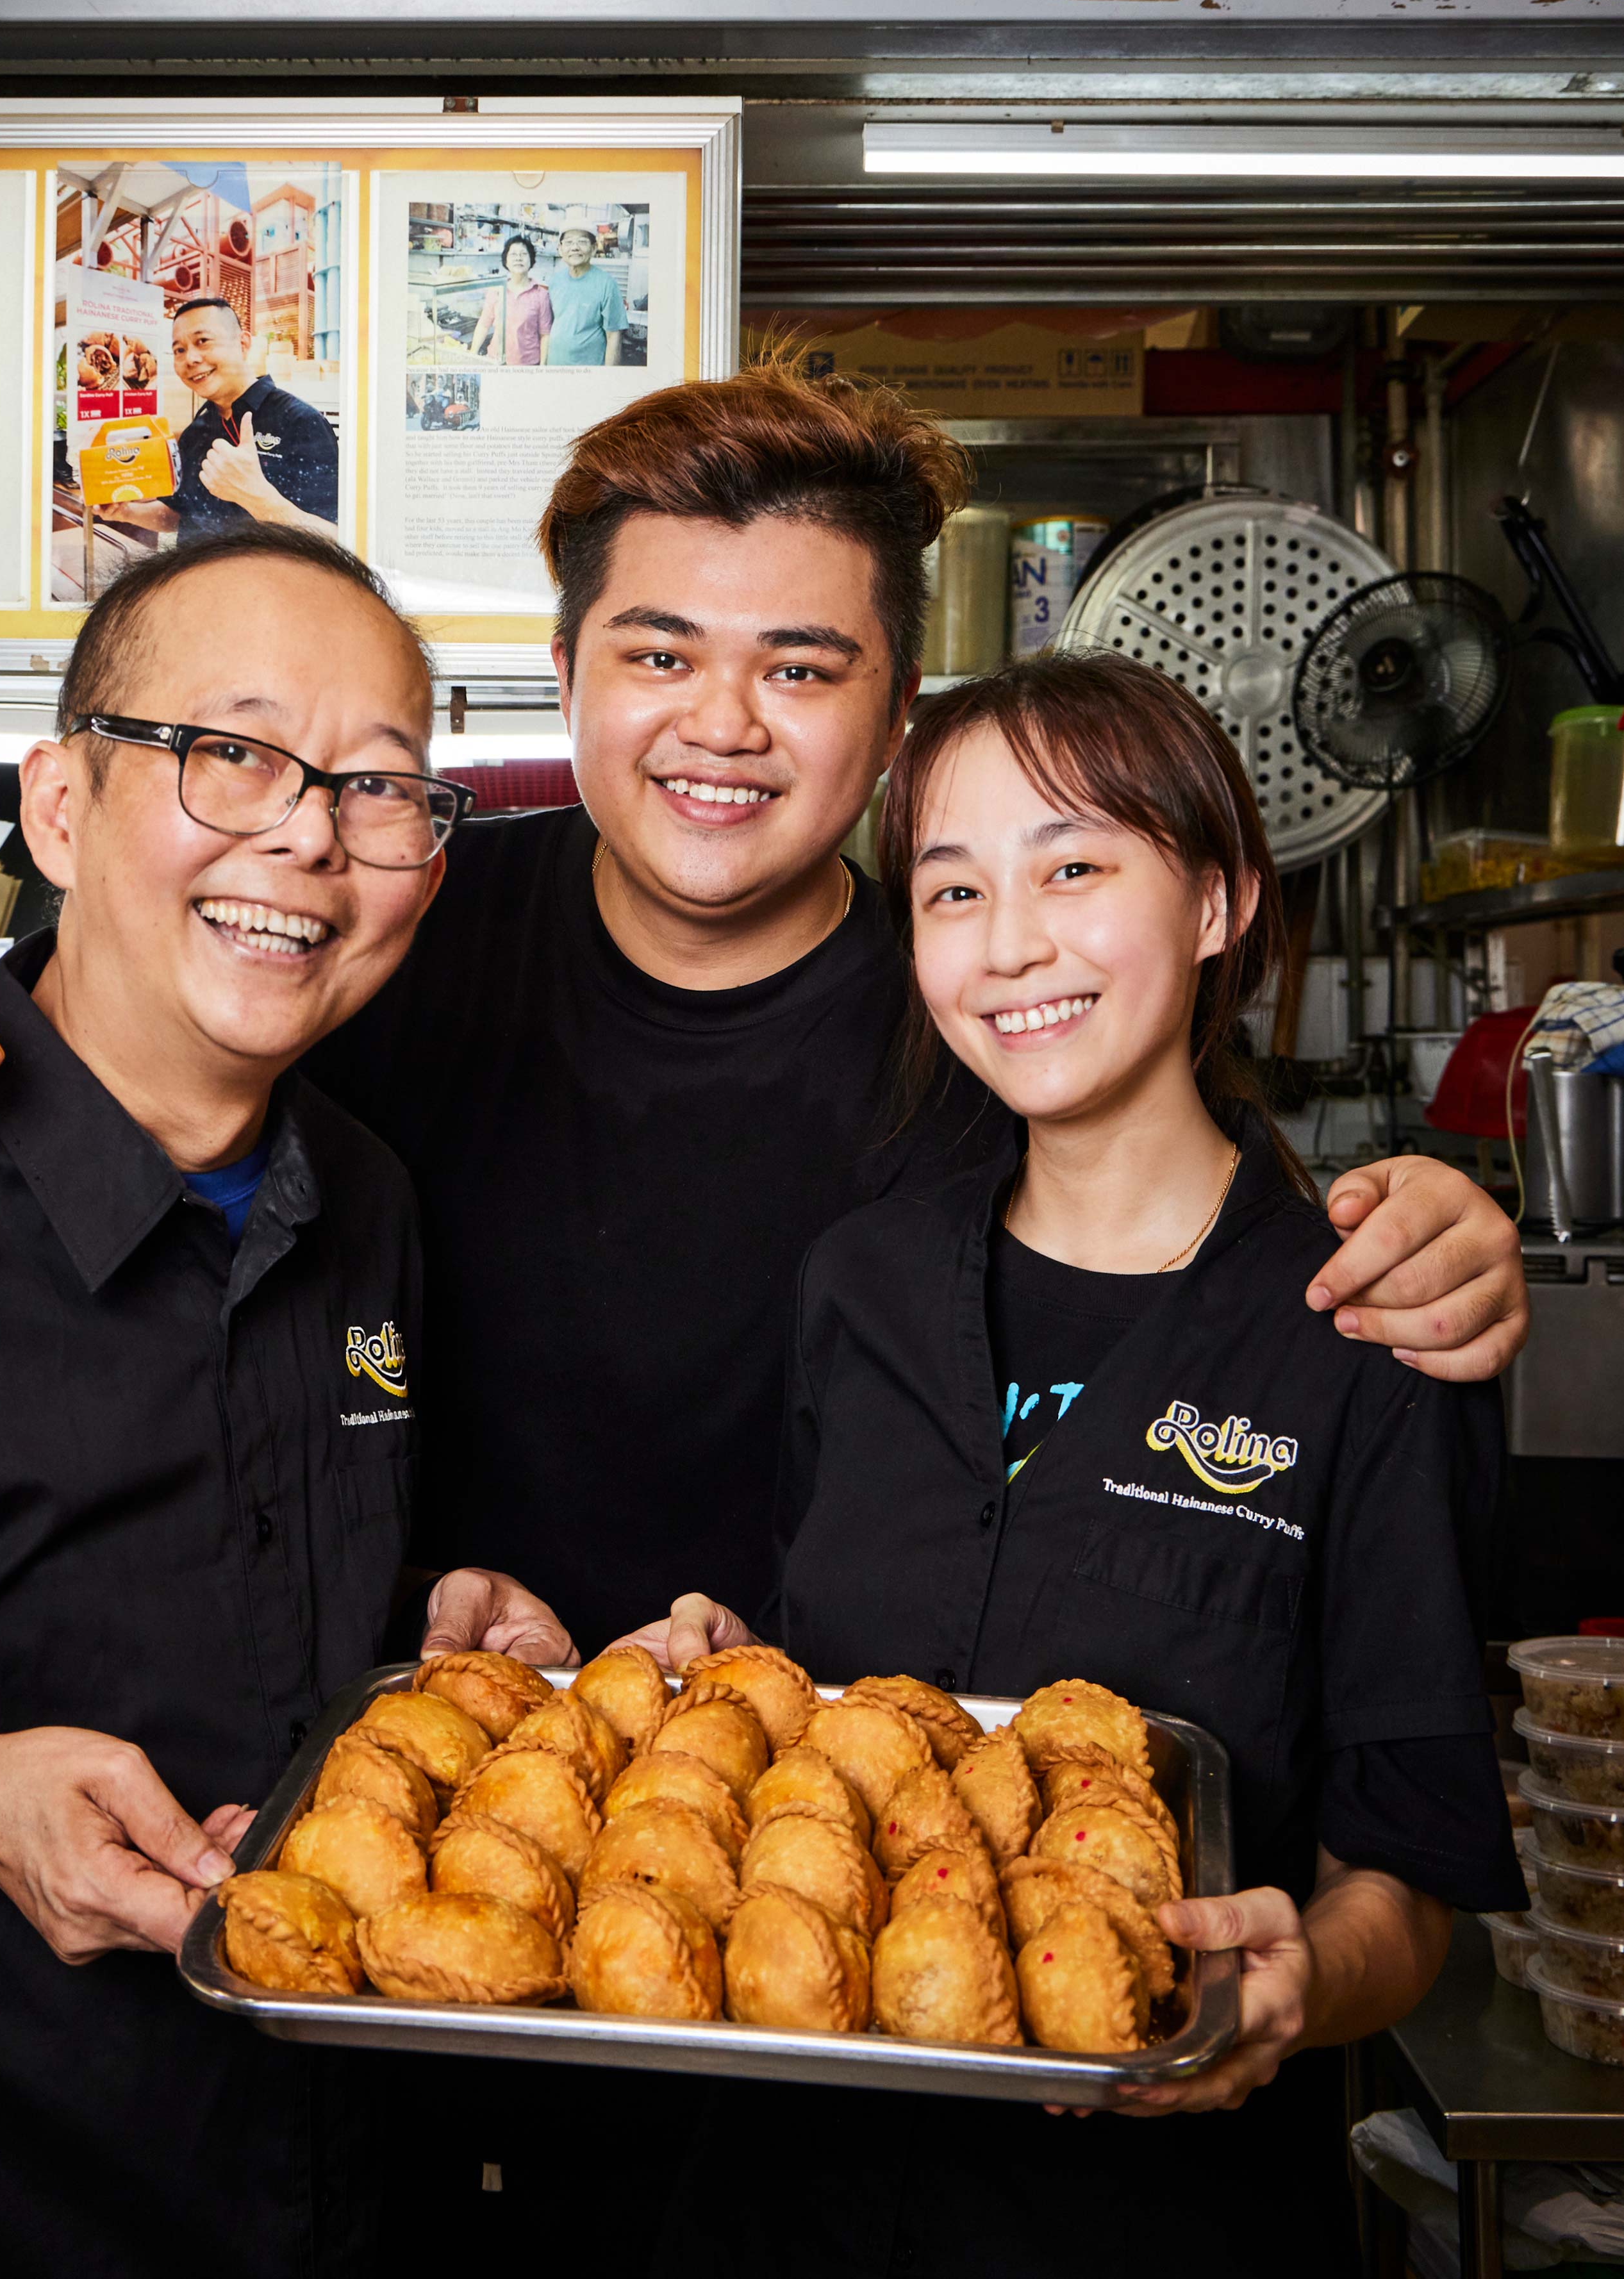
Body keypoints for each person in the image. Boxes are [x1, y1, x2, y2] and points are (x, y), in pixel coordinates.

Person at [0, 368, 1529, 2241]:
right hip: (397, 1966)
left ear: (892, 720)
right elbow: (136, 1002)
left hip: (821, 1988)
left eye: (799, 666)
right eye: (659, 652)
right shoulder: (389, 930)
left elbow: (1179, 1246)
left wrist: (1432, 1226)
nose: (720, 723)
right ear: (566, 672)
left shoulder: (980, 1020)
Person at [0, 526, 570, 2279]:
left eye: (377, 787)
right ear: (59, 809)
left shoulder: (367, 1200)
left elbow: (223, 1564)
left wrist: (423, 1620)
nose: (308, 834)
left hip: (321, 2192)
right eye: (232, 754)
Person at [647, 651, 1524, 2277]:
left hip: (1151, 2222)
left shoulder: (1365, 1327)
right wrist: (717, 1666)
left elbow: (1405, 1884)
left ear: (1216, 902)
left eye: (1072, 869)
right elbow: (828, 1688)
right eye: (951, 889)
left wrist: (1298, 1982)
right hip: (785, 2196)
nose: (1007, 944)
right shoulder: (857, 1284)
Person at [113, 295, 338, 541]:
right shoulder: (196, 431)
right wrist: (125, 512)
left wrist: (259, 499)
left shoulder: (300, 423)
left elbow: (335, 537)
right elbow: (179, 515)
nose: (191, 359)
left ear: (242, 344)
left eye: (203, 341)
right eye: (179, 350)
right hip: (194, 566)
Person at [542, 223, 627, 367]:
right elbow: (549, 327)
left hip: (589, 371)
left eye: (582, 241)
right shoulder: (555, 281)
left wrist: (609, 375)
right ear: (560, 249)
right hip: (555, 366)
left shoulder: (607, 284)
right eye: (569, 242)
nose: (575, 247)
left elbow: (614, 336)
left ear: (594, 248)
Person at [472, 234, 556, 366]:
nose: (518, 258)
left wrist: (542, 367)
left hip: (529, 365)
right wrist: (472, 355)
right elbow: (484, 325)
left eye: (523, 254)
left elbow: (545, 334)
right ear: (506, 261)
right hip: (496, 362)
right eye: (513, 254)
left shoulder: (541, 294)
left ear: (531, 260)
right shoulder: (497, 290)